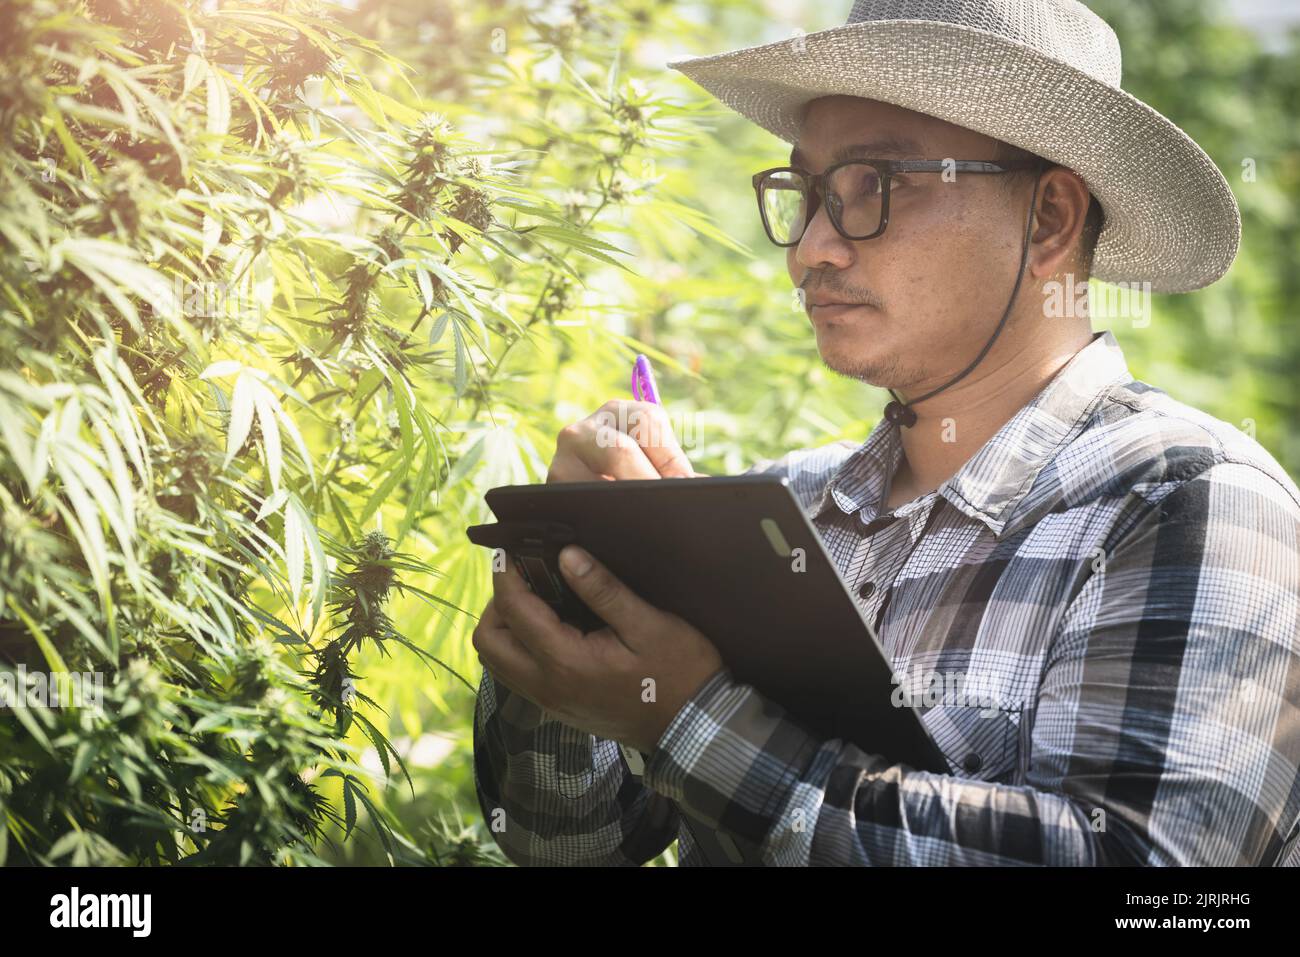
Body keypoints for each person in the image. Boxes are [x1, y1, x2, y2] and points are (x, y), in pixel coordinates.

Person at [470, 0, 1300, 865]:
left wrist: (692, 718)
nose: (810, 251)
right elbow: (563, 842)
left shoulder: (1191, 502)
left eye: (877, 187)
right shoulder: (782, 509)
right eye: (807, 194)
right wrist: (580, 585)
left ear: (1049, 219)